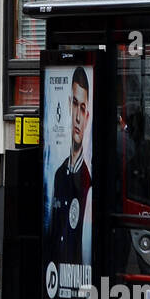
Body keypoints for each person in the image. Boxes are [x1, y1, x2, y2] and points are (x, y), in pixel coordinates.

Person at [51, 66, 93, 275]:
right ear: (69, 105)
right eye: (75, 104)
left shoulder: (88, 180)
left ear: (87, 116)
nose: (77, 116)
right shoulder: (59, 174)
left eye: (83, 108)